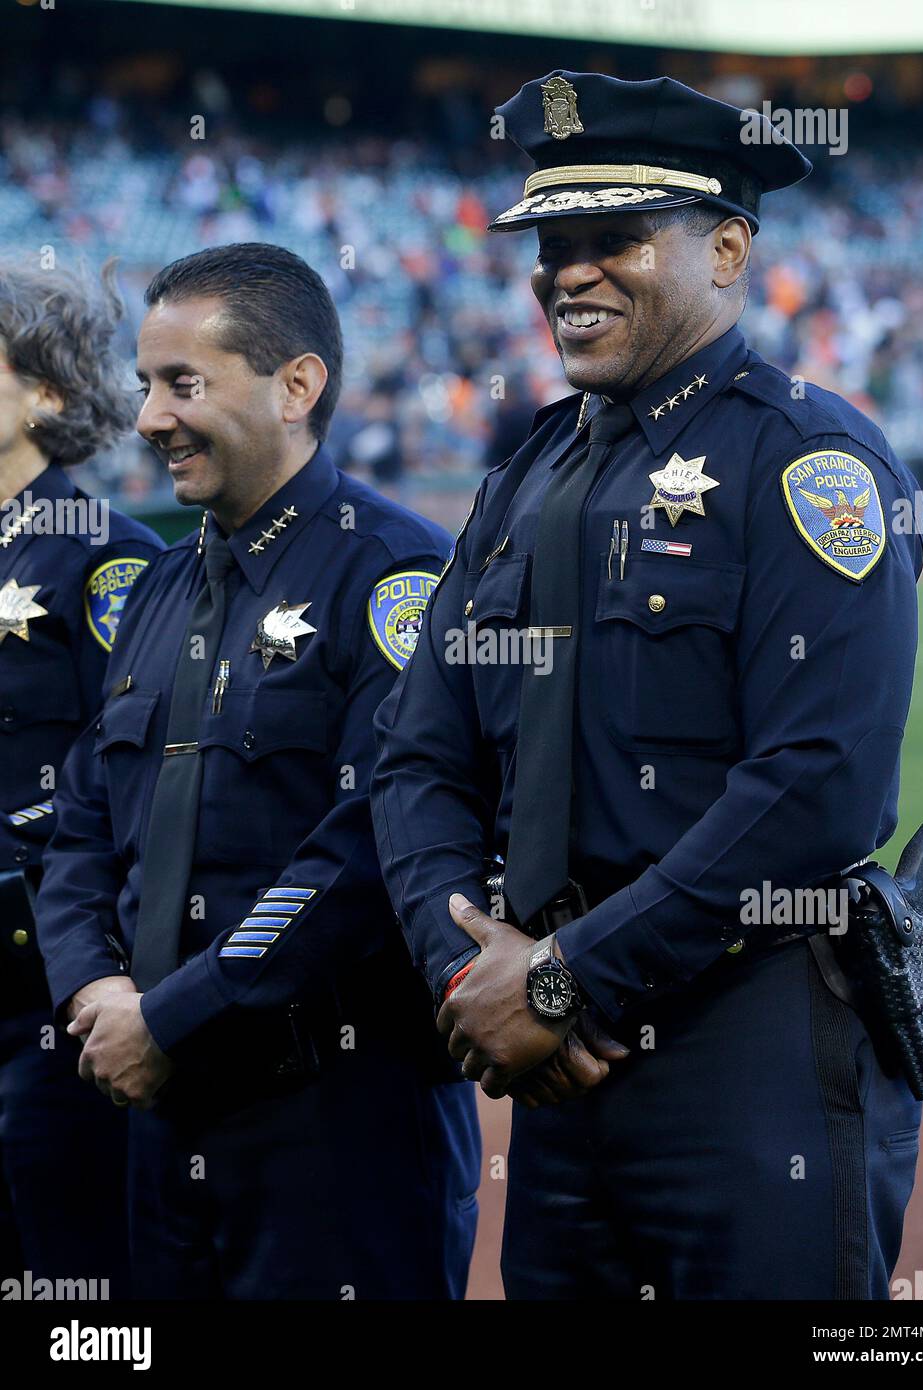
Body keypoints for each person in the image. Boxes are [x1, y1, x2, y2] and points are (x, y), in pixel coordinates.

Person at [372, 72, 923, 1300]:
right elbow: (415, 757)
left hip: (748, 1051)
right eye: (549, 247)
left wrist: (565, 976)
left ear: (726, 250)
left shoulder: (806, 460)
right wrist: (472, 973)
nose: (567, 274)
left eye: (614, 238)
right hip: (554, 1071)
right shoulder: (522, 477)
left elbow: (818, 787)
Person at [34, 243, 479, 1300]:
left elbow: (366, 848)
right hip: (161, 1114)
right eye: (146, 384)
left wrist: (173, 1015)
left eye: (183, 384)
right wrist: (96, 988)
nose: (149, 417)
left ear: (296, 385)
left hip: (335, 1122)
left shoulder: (395, 575)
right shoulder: (159, 586)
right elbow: (82, 821)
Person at [0, 260, 162, 1295]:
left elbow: (128, 787)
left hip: (52, 996)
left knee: (77, 1286)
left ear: (49, 392)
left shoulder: (108, 558)